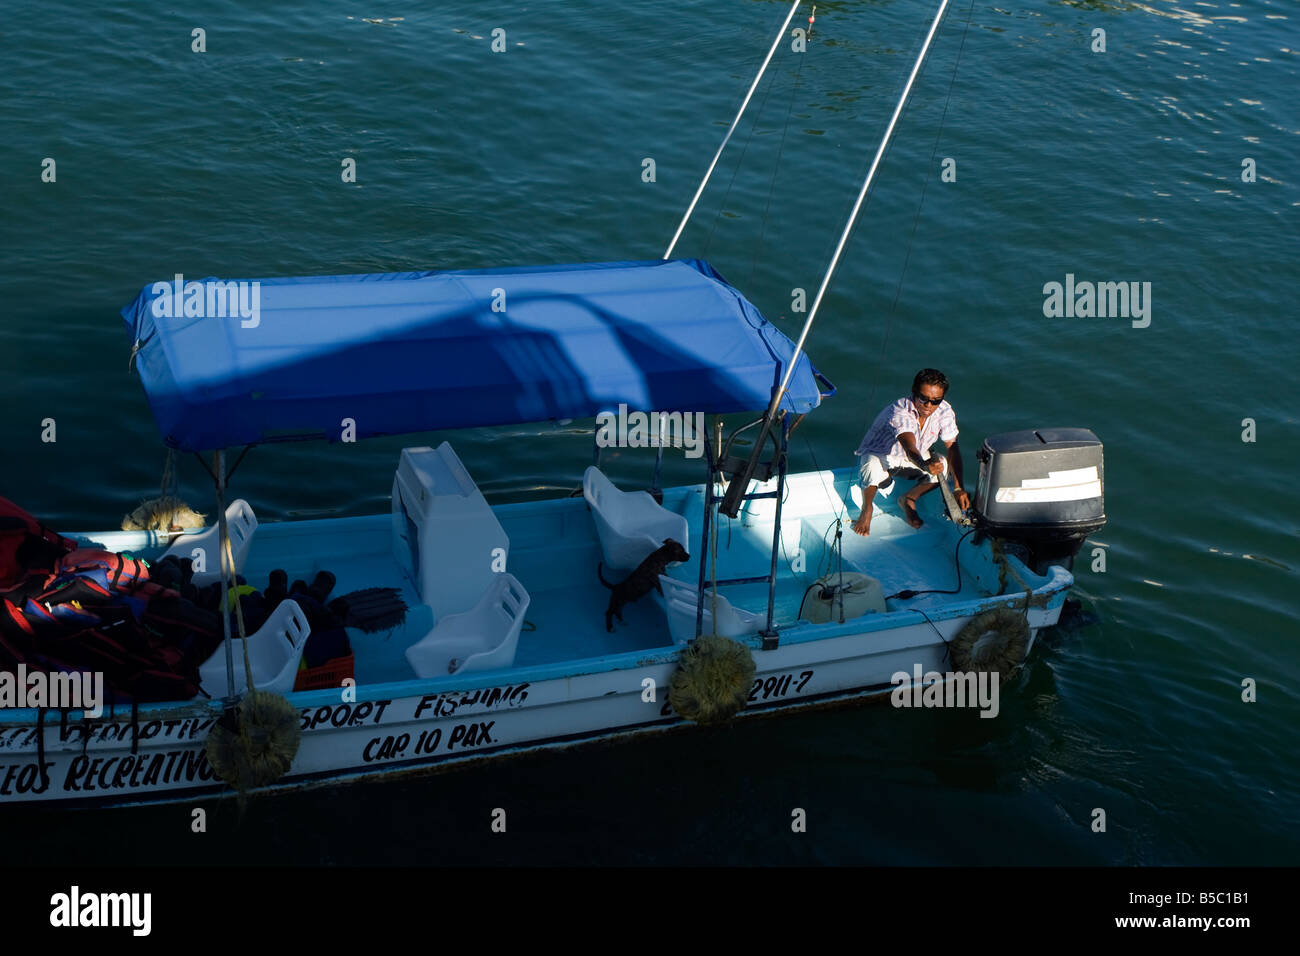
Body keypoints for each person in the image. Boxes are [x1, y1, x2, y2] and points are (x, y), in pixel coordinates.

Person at [851, 368, 971, 536]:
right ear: (914, 393)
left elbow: (952, 447)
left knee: (944, 467)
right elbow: (909, 447)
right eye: (924, 399)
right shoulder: (900, 409)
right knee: (871, 465)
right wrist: (924, 464)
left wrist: (959, 489)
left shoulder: (944, 411)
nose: (929, 406)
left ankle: (908, 499)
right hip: (884, 455)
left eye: (936, 401)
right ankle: (867, 507)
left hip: (916, 458)